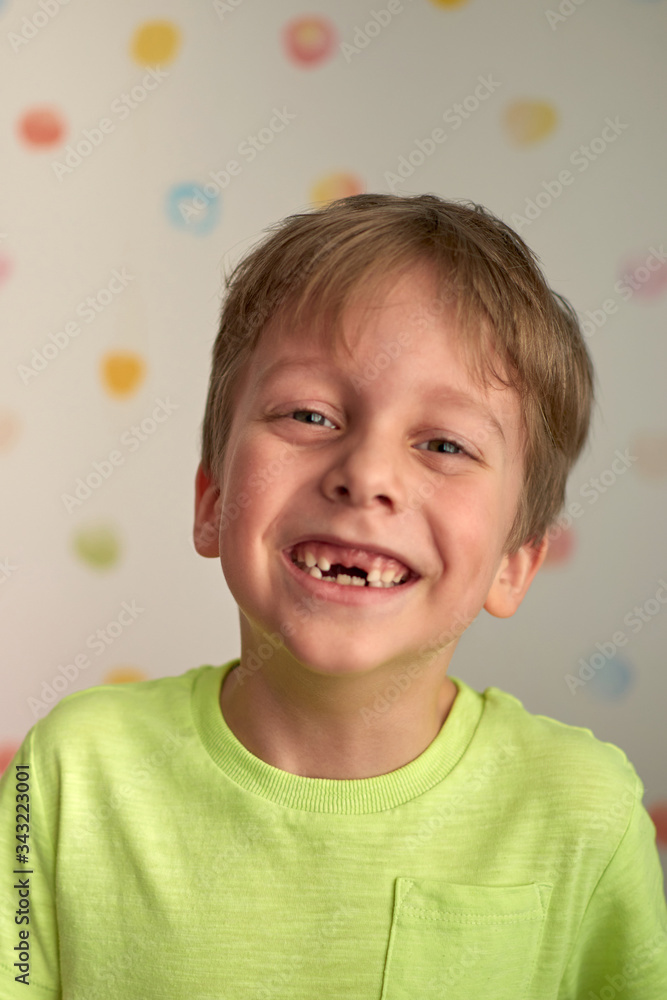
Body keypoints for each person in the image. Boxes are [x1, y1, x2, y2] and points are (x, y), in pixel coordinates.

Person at [1, 193, 665, 998]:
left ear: (513, 564)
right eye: (310, 415)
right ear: (212, 503)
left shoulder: (583, 812)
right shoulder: (68, 772)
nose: (367, 474)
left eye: (444, 444)